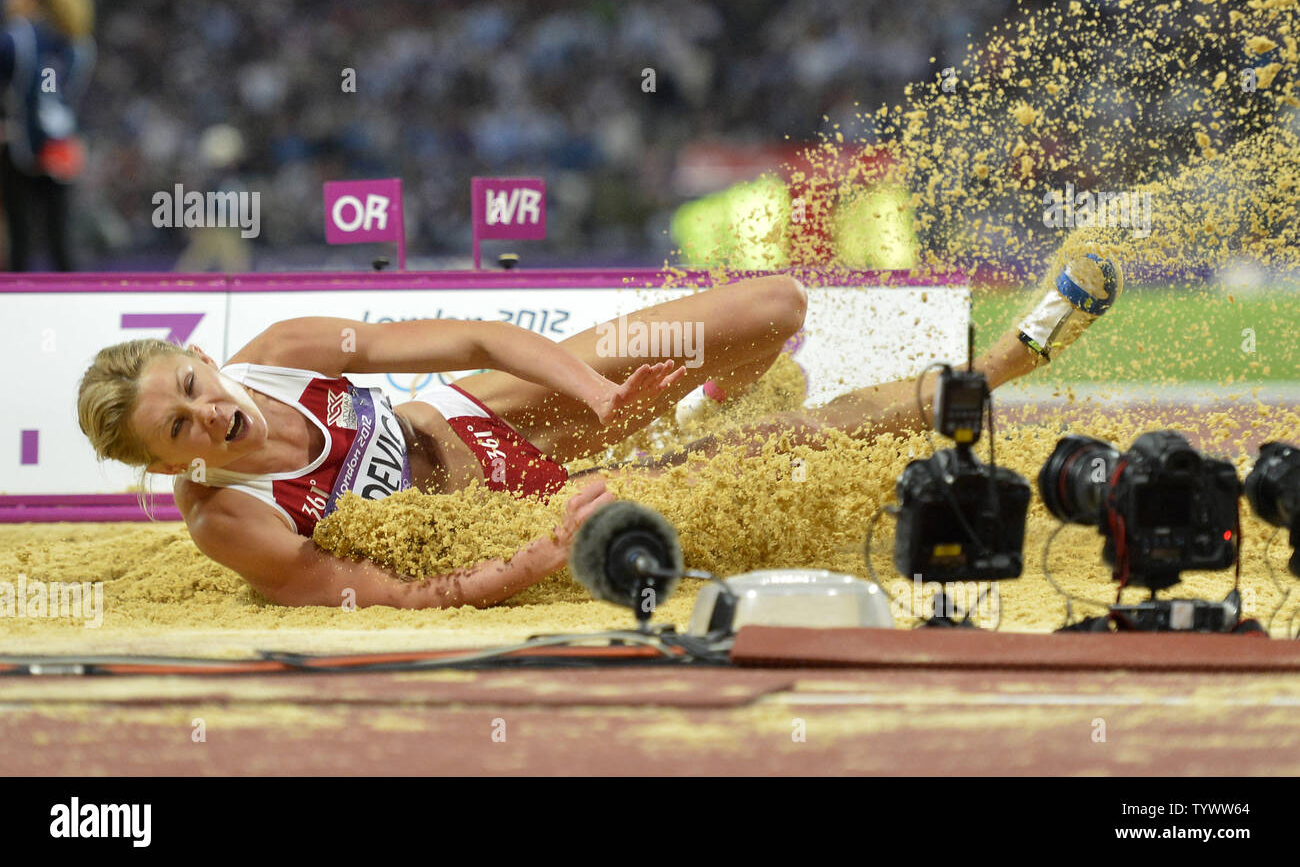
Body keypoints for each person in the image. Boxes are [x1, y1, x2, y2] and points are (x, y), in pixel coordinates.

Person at [76, 258, 1120, 610]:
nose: (209, 409)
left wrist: (603, 396)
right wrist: (528, 557)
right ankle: (1010, 360)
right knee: (784, 450)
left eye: (192, 383)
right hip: (513, 511)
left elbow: (476, 329)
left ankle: (720, 408)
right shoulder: (230, 521)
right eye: (181, 426)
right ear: (175, 463)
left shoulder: (278, 350)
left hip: (490, 412)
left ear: (204, 360)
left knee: (771, 310)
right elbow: (390, 595)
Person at [0, 0, 95, 272]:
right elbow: (68, 95)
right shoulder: (77, 39)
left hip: (19, 146)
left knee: (20, 242)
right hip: (62, 148)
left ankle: (12, 316)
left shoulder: (16, 37)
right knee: (62, 243)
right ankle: (73, 311)